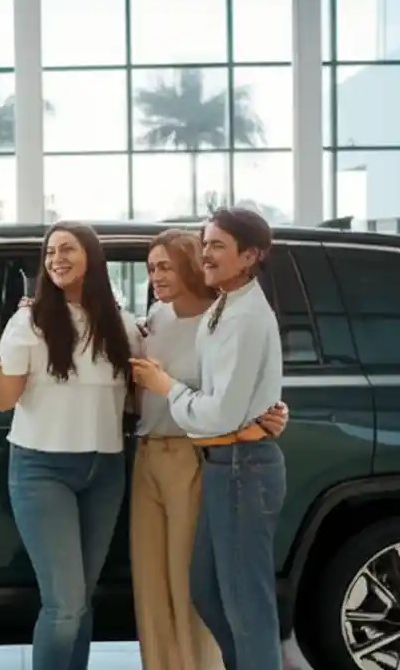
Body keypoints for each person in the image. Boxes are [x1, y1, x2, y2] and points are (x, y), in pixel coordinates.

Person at [0, 221, 139, 670]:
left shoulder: (122, 326)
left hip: (105, 471)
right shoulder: (29, 321)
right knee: (64, 604)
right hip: (41, 471)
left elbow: (143, 393)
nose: (56, 258)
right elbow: (4, 398)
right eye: (50, 253)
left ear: (91, 257)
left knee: (81, 601)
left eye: (67, 249)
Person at [131, 207, 286, 670]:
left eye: (218, 245)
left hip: (244, 464)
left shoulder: (246, 318)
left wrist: (166, 387)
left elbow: (218, 411)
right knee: (206, 589)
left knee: (247, 608)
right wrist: (269, 405)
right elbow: (237, 387)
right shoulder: (223, 306)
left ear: (251, 255)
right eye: (205, 244)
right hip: (223, 464)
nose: (207, 254)